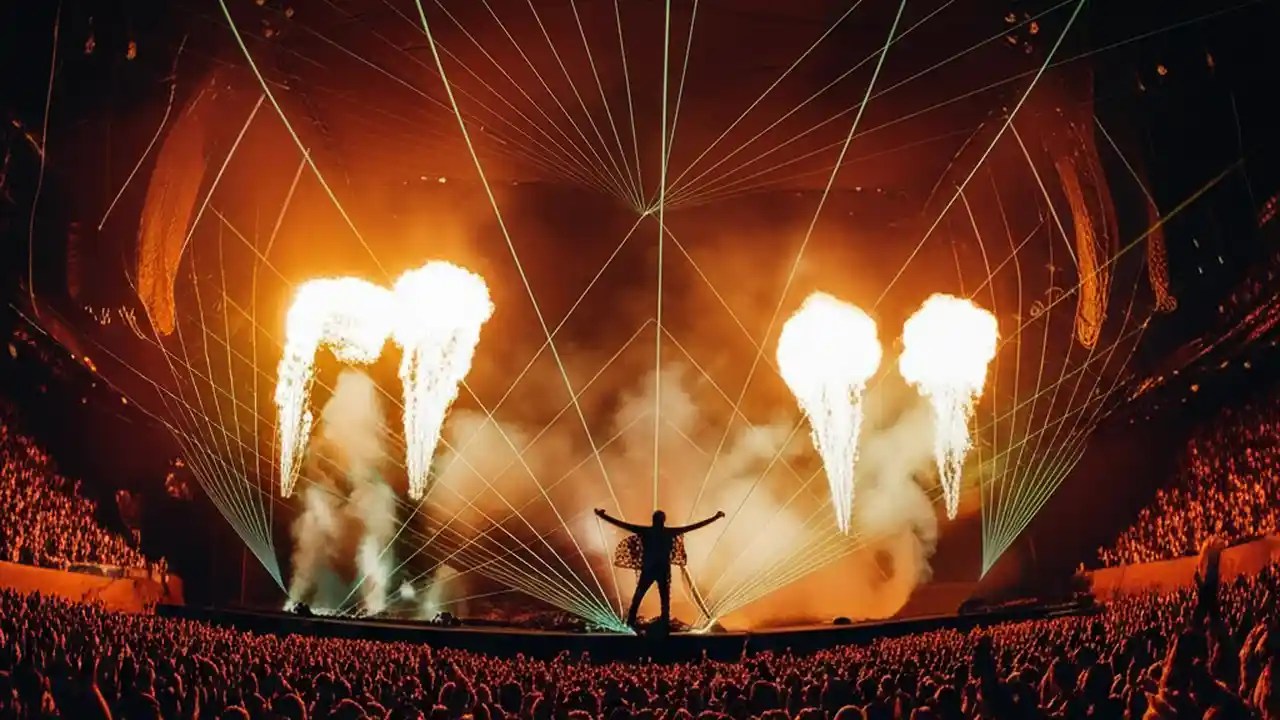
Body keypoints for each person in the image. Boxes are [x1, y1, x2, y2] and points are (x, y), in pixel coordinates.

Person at [594, 507, 725, 631]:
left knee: (644, 597)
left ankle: (635, 621)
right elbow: (693, 527)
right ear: (663, 520)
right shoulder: (667, 532)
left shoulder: (648, 531)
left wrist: (603, 516)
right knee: (662, 598)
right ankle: (660, 621)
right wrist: (715, 517)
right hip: (660, 569)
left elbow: (622, 524)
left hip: (651, 569)